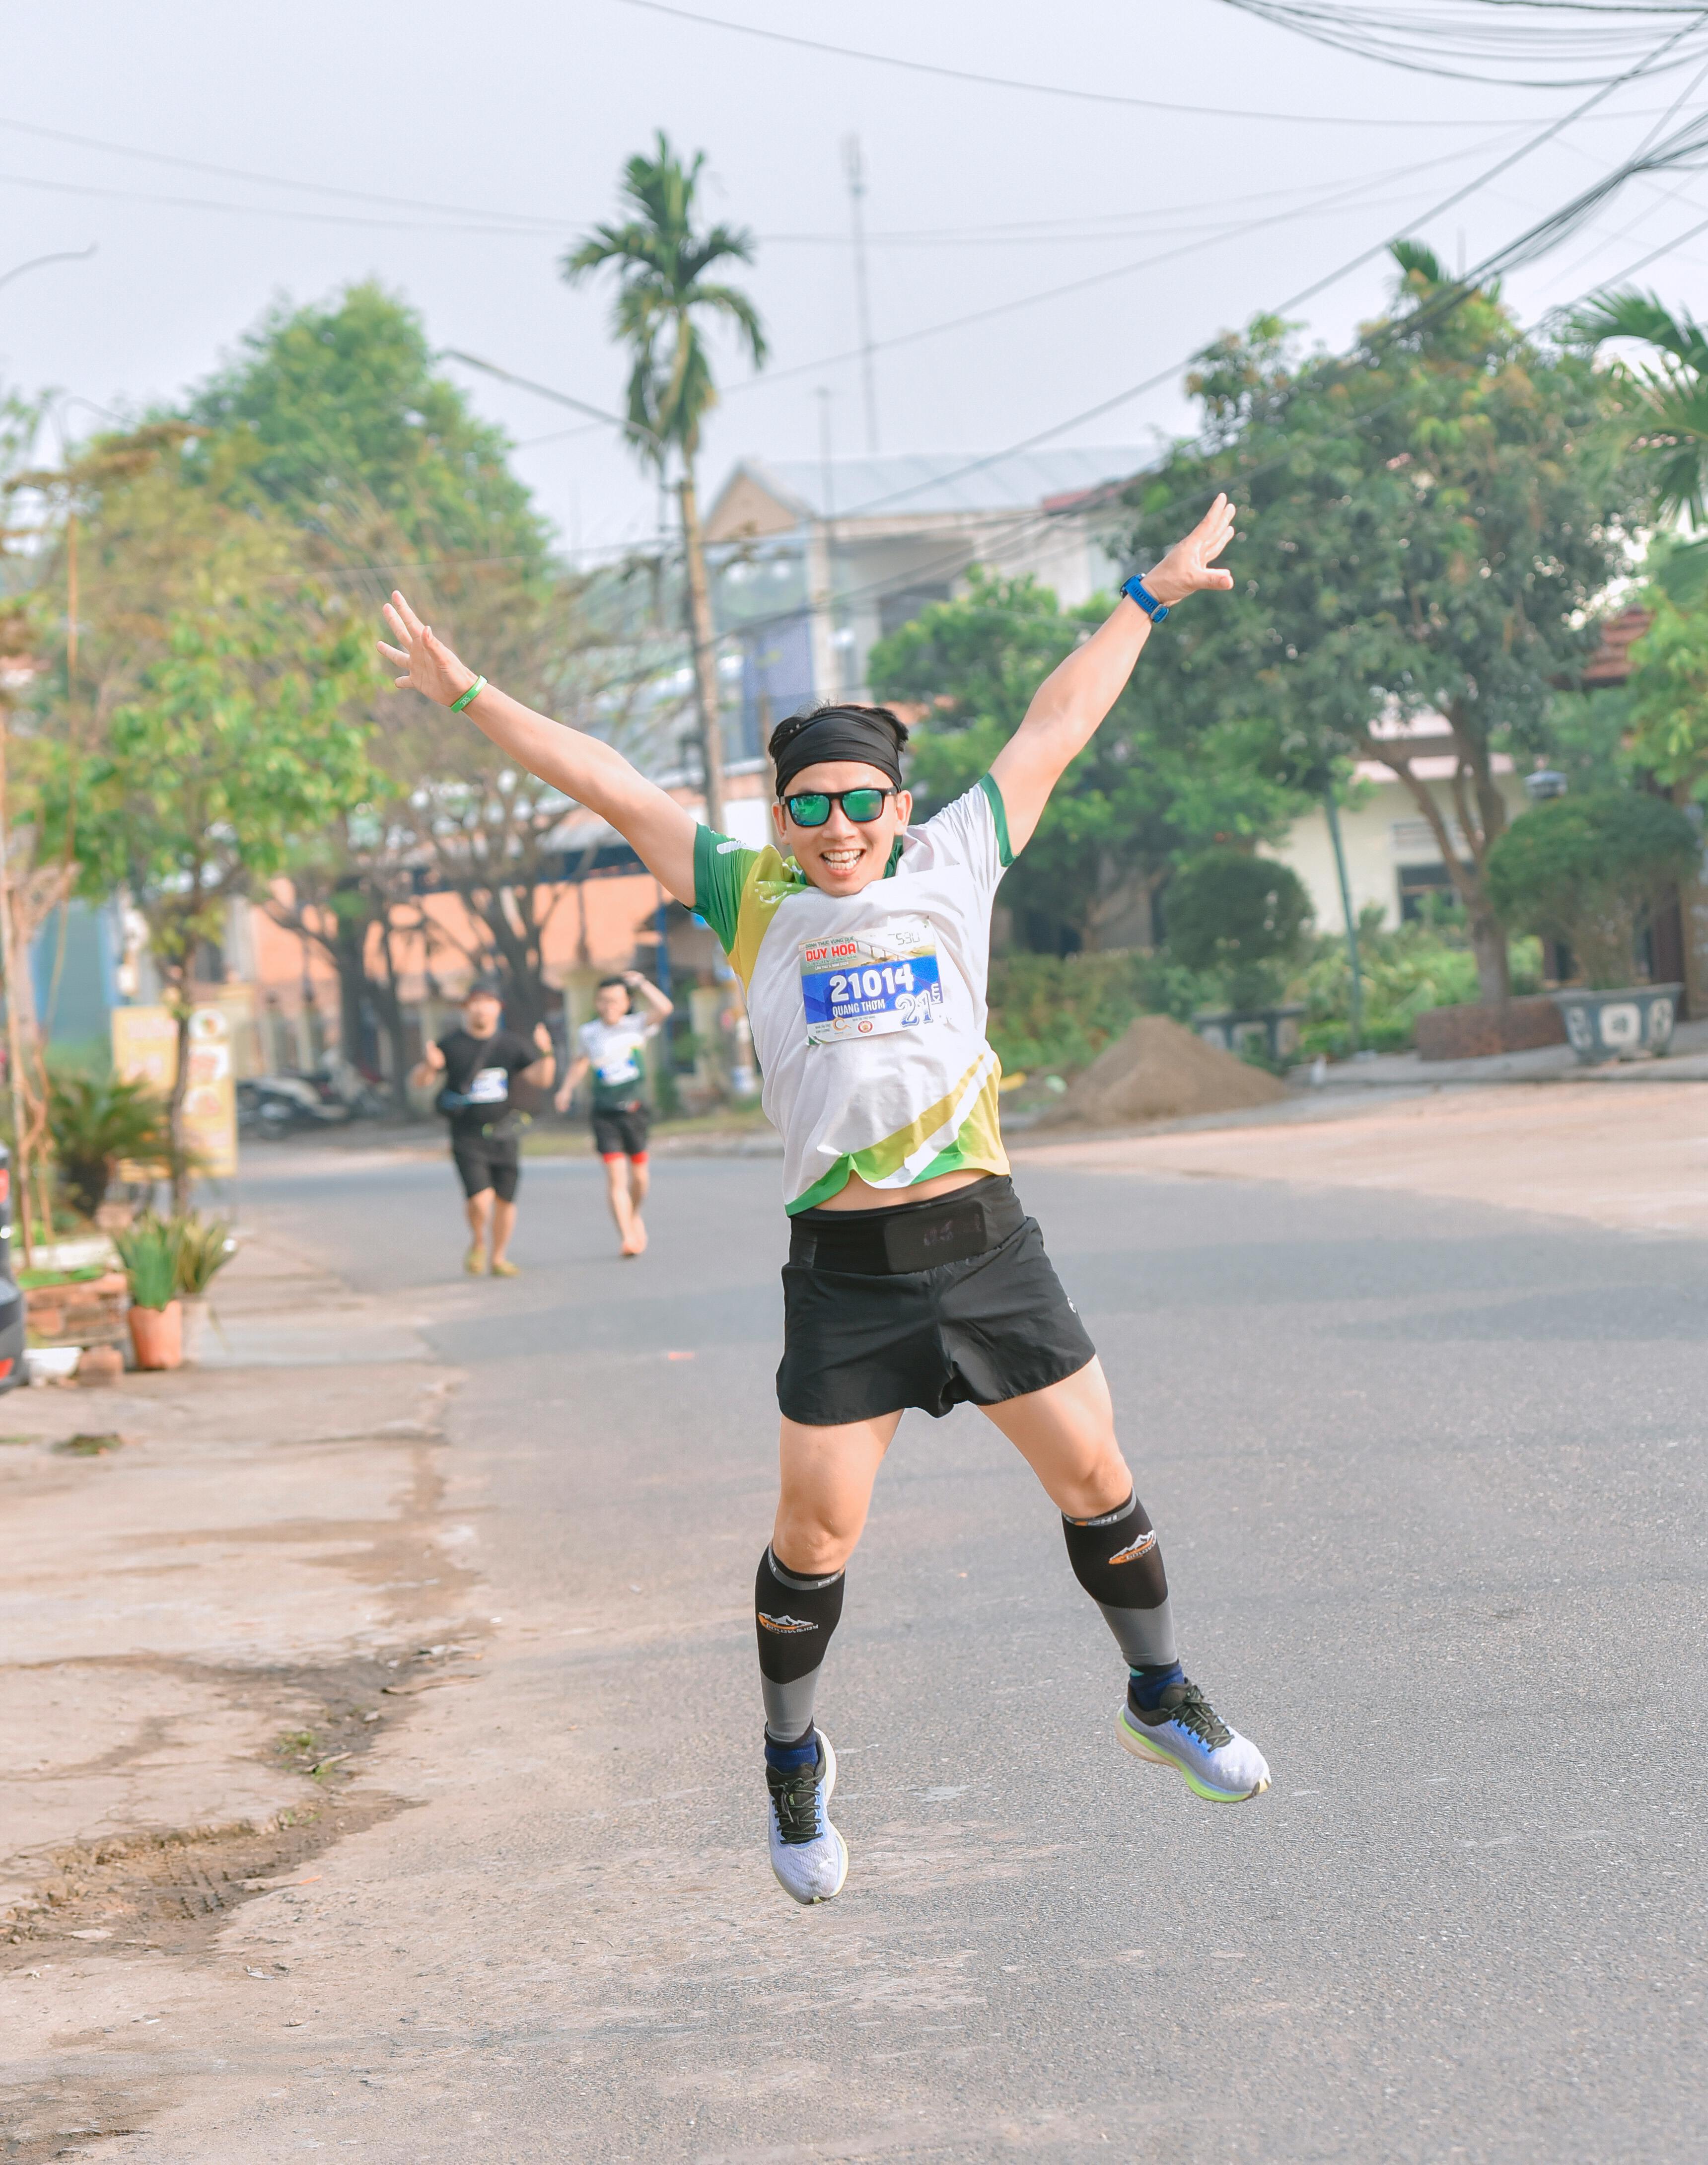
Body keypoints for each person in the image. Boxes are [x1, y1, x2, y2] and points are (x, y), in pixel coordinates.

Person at [378, 491, 1268, 1912]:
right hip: (847, 1279)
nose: (841, 826)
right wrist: (471, 692)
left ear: (898, 809)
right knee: (816, 1540)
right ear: (780, 821)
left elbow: (1056, 724)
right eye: (814, 808)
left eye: (863, 803)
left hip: (989, 1248)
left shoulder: (958, 863)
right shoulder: (747, 897)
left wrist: (1146, 600)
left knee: (1100, 1482)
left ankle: (1159, 1696)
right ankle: (793, 1764)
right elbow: (609, 785)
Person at [412, 981, 555, 1278]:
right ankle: (478, 1241)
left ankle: (499, 1257)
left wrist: (548, 1053)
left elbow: (541, 1080)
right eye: (474, 1002)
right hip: (466, 1134)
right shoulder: (450, 1045)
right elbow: (420, 1082)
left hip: (504, 1132)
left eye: (487, 1001)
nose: (481, 1008)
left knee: (505, 1200)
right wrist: (429, 1065)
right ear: (465, 1008)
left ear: (498, 1008)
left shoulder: (511, 1045)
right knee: (479, 1199)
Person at [555, 970, 674, 1257]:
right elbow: (580, 1063)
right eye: (604, 1000)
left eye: (615, 1001)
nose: (609, 1006)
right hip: (605, 1114)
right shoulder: (589, 1033)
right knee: (615, 1177)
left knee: (641, 1179)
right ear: (597, 1003)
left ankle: (634, 1216)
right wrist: (566, 1090)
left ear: (625, 1003)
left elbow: (665, 1009)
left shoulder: (636, 1026)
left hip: (635, 1112)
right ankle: (628, 1237)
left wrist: (642, 982)